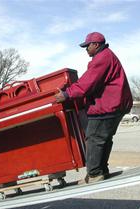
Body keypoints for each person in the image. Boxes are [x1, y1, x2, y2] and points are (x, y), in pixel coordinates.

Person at [55, 32, 133, 184]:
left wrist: (67, 94)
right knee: (104, 138)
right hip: (115, 104)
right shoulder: (107, 56)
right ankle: (101, 170)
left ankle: (95, 174)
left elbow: (88, 83)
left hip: (108, 105)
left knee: (94, 137)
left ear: (96, 45)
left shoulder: (102, 58)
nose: (85, 49)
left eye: (87, 46)